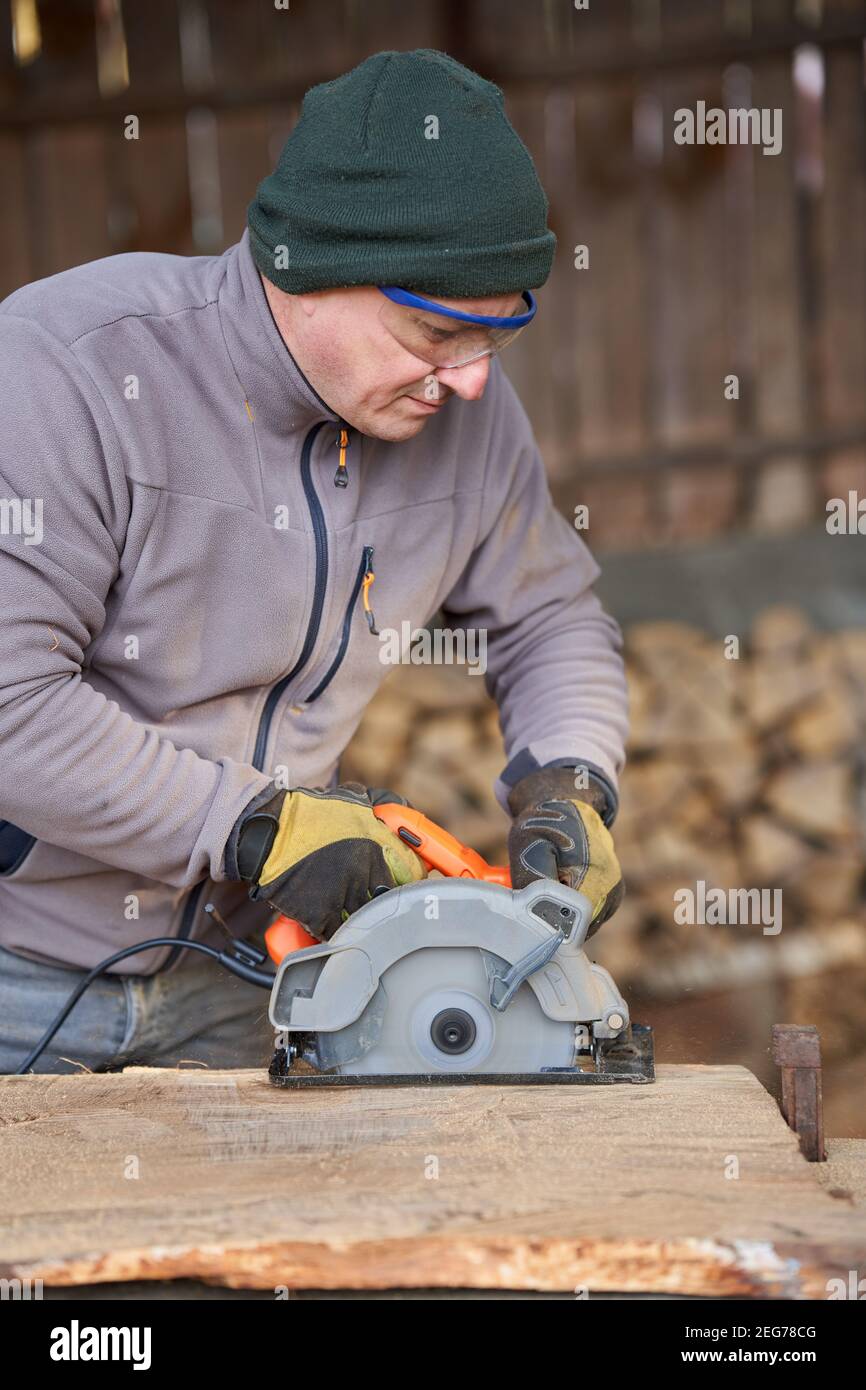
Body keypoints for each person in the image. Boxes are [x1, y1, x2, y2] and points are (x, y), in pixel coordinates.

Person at [0, 49, 627, 1073]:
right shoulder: (62, 373)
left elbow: (547, 613)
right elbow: (10, 702)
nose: (470, 385)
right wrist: (253, 825)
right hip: (17, 978)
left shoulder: (462, 414)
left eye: (497, 340)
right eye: (435, 333)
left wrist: (572, 774)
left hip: (256, 982)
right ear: (307, 267)